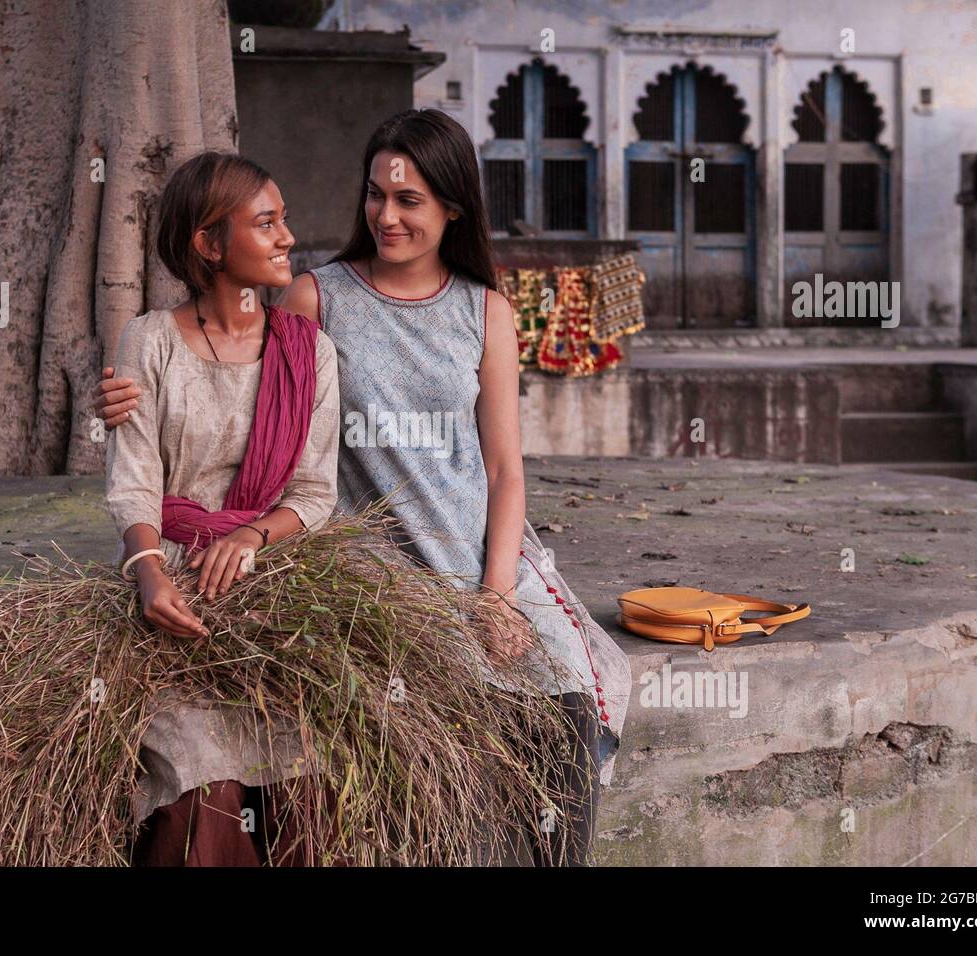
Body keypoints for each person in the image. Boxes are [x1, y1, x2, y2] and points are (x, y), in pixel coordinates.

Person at [99, 111, 632, 866]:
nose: (386, 215)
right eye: (377, 194)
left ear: (453, 206)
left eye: (410, 200)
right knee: (450, 723)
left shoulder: (486, 311)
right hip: (376, 563)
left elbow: (506, 470)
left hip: (480, 555)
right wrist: (125, 401)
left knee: (563, 709)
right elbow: (245, 389)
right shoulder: (318, 301)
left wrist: (498, 591)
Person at [104, 150, 341, 866]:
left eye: (285, 221)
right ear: (209, 244)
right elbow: (135, 482)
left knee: (311, 766)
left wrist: (251, 539)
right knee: (193, 778)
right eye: (265, 223)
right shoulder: (149, 342)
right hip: (172, 578)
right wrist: (151, 579)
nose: (286, 238)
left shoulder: (310, 352)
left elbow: (314, 493)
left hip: (276, 578)